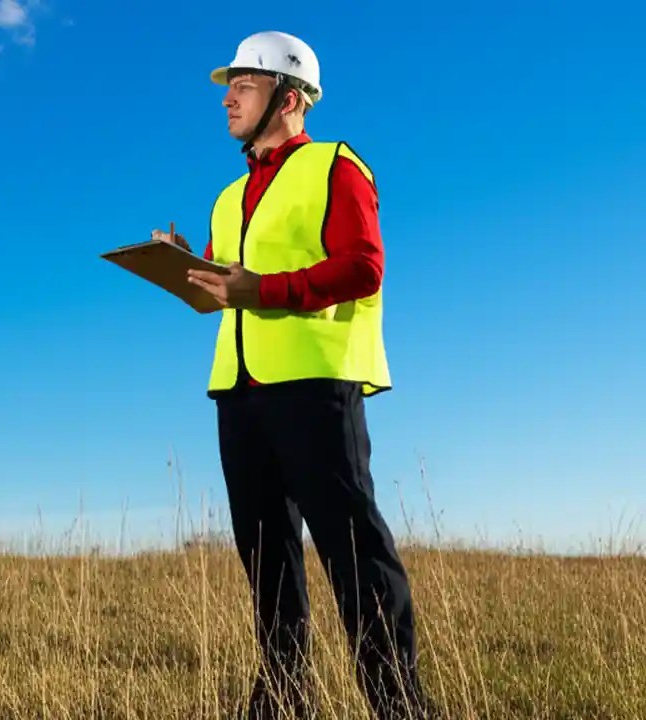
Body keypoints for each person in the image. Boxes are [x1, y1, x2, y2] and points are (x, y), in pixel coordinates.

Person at [151, 31, 436, 720]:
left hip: (313, 386)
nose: (228, 98)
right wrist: (181, 267)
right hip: (239, 394)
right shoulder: (227, 197)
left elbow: (363, 266)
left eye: (243, 86)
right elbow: (222, 288)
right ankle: (280, 703)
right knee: (266, 561)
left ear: (290, 97)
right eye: (229, 87)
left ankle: (399, 706)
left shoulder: (336, 166)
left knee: (354, 554)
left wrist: (265, 290)